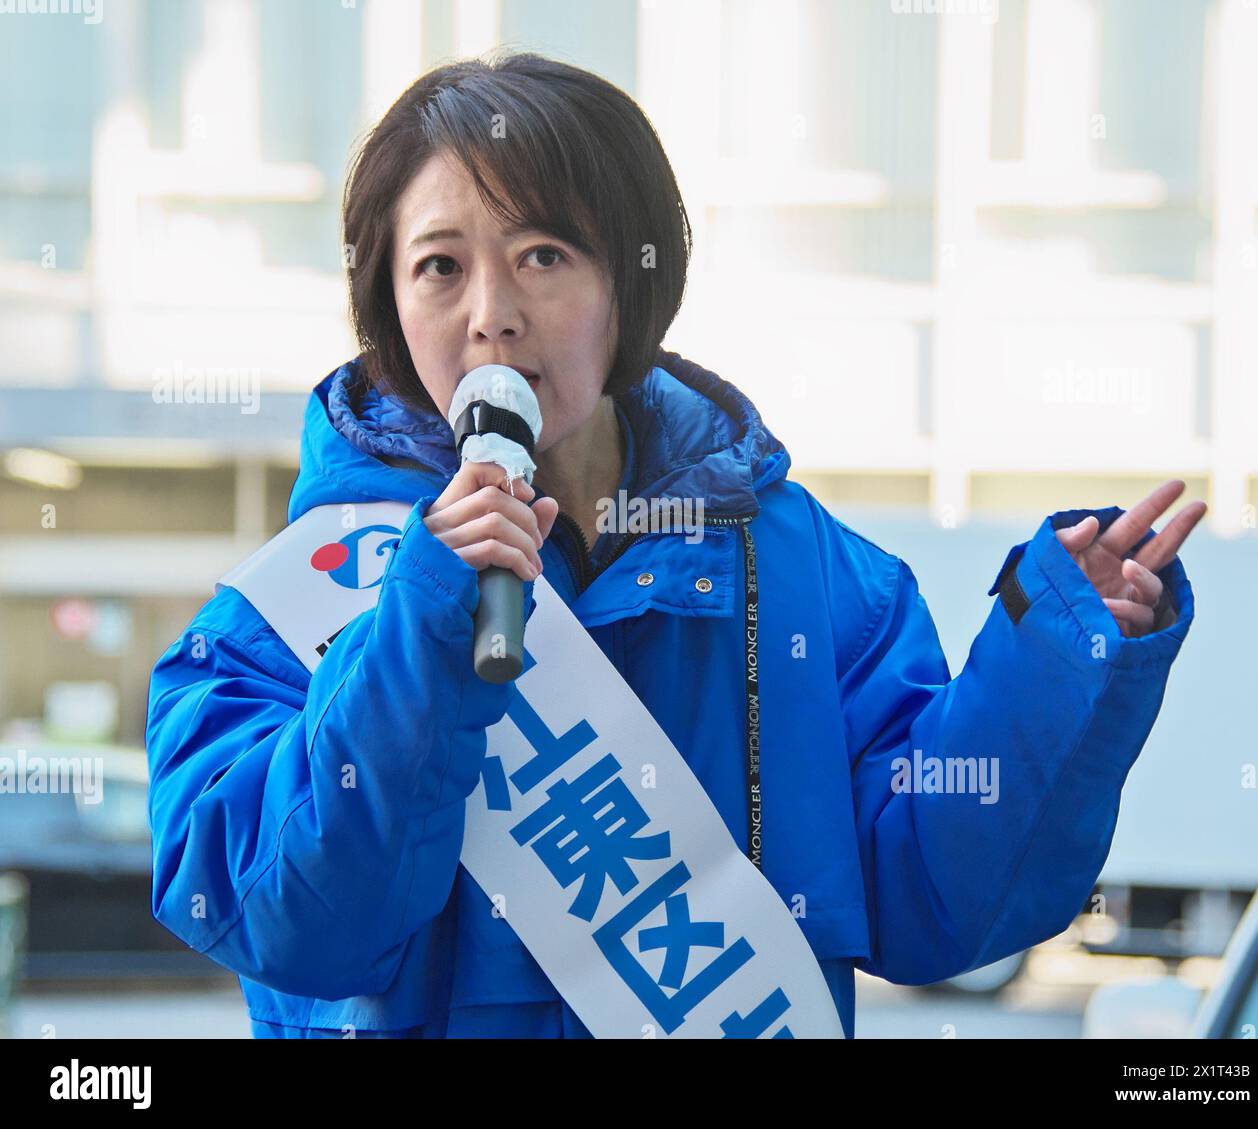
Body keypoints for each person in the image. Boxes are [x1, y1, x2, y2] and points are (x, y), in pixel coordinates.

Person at [145, 53, 1204, 1039]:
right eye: (437, 267)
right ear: (387, 303)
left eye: (542, 255)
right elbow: (293, 924)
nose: (491, 316)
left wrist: (1057, 658)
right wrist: (420, 630)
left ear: (629, 284)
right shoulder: (292, 609)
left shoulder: (795, 568)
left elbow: (930, 899)